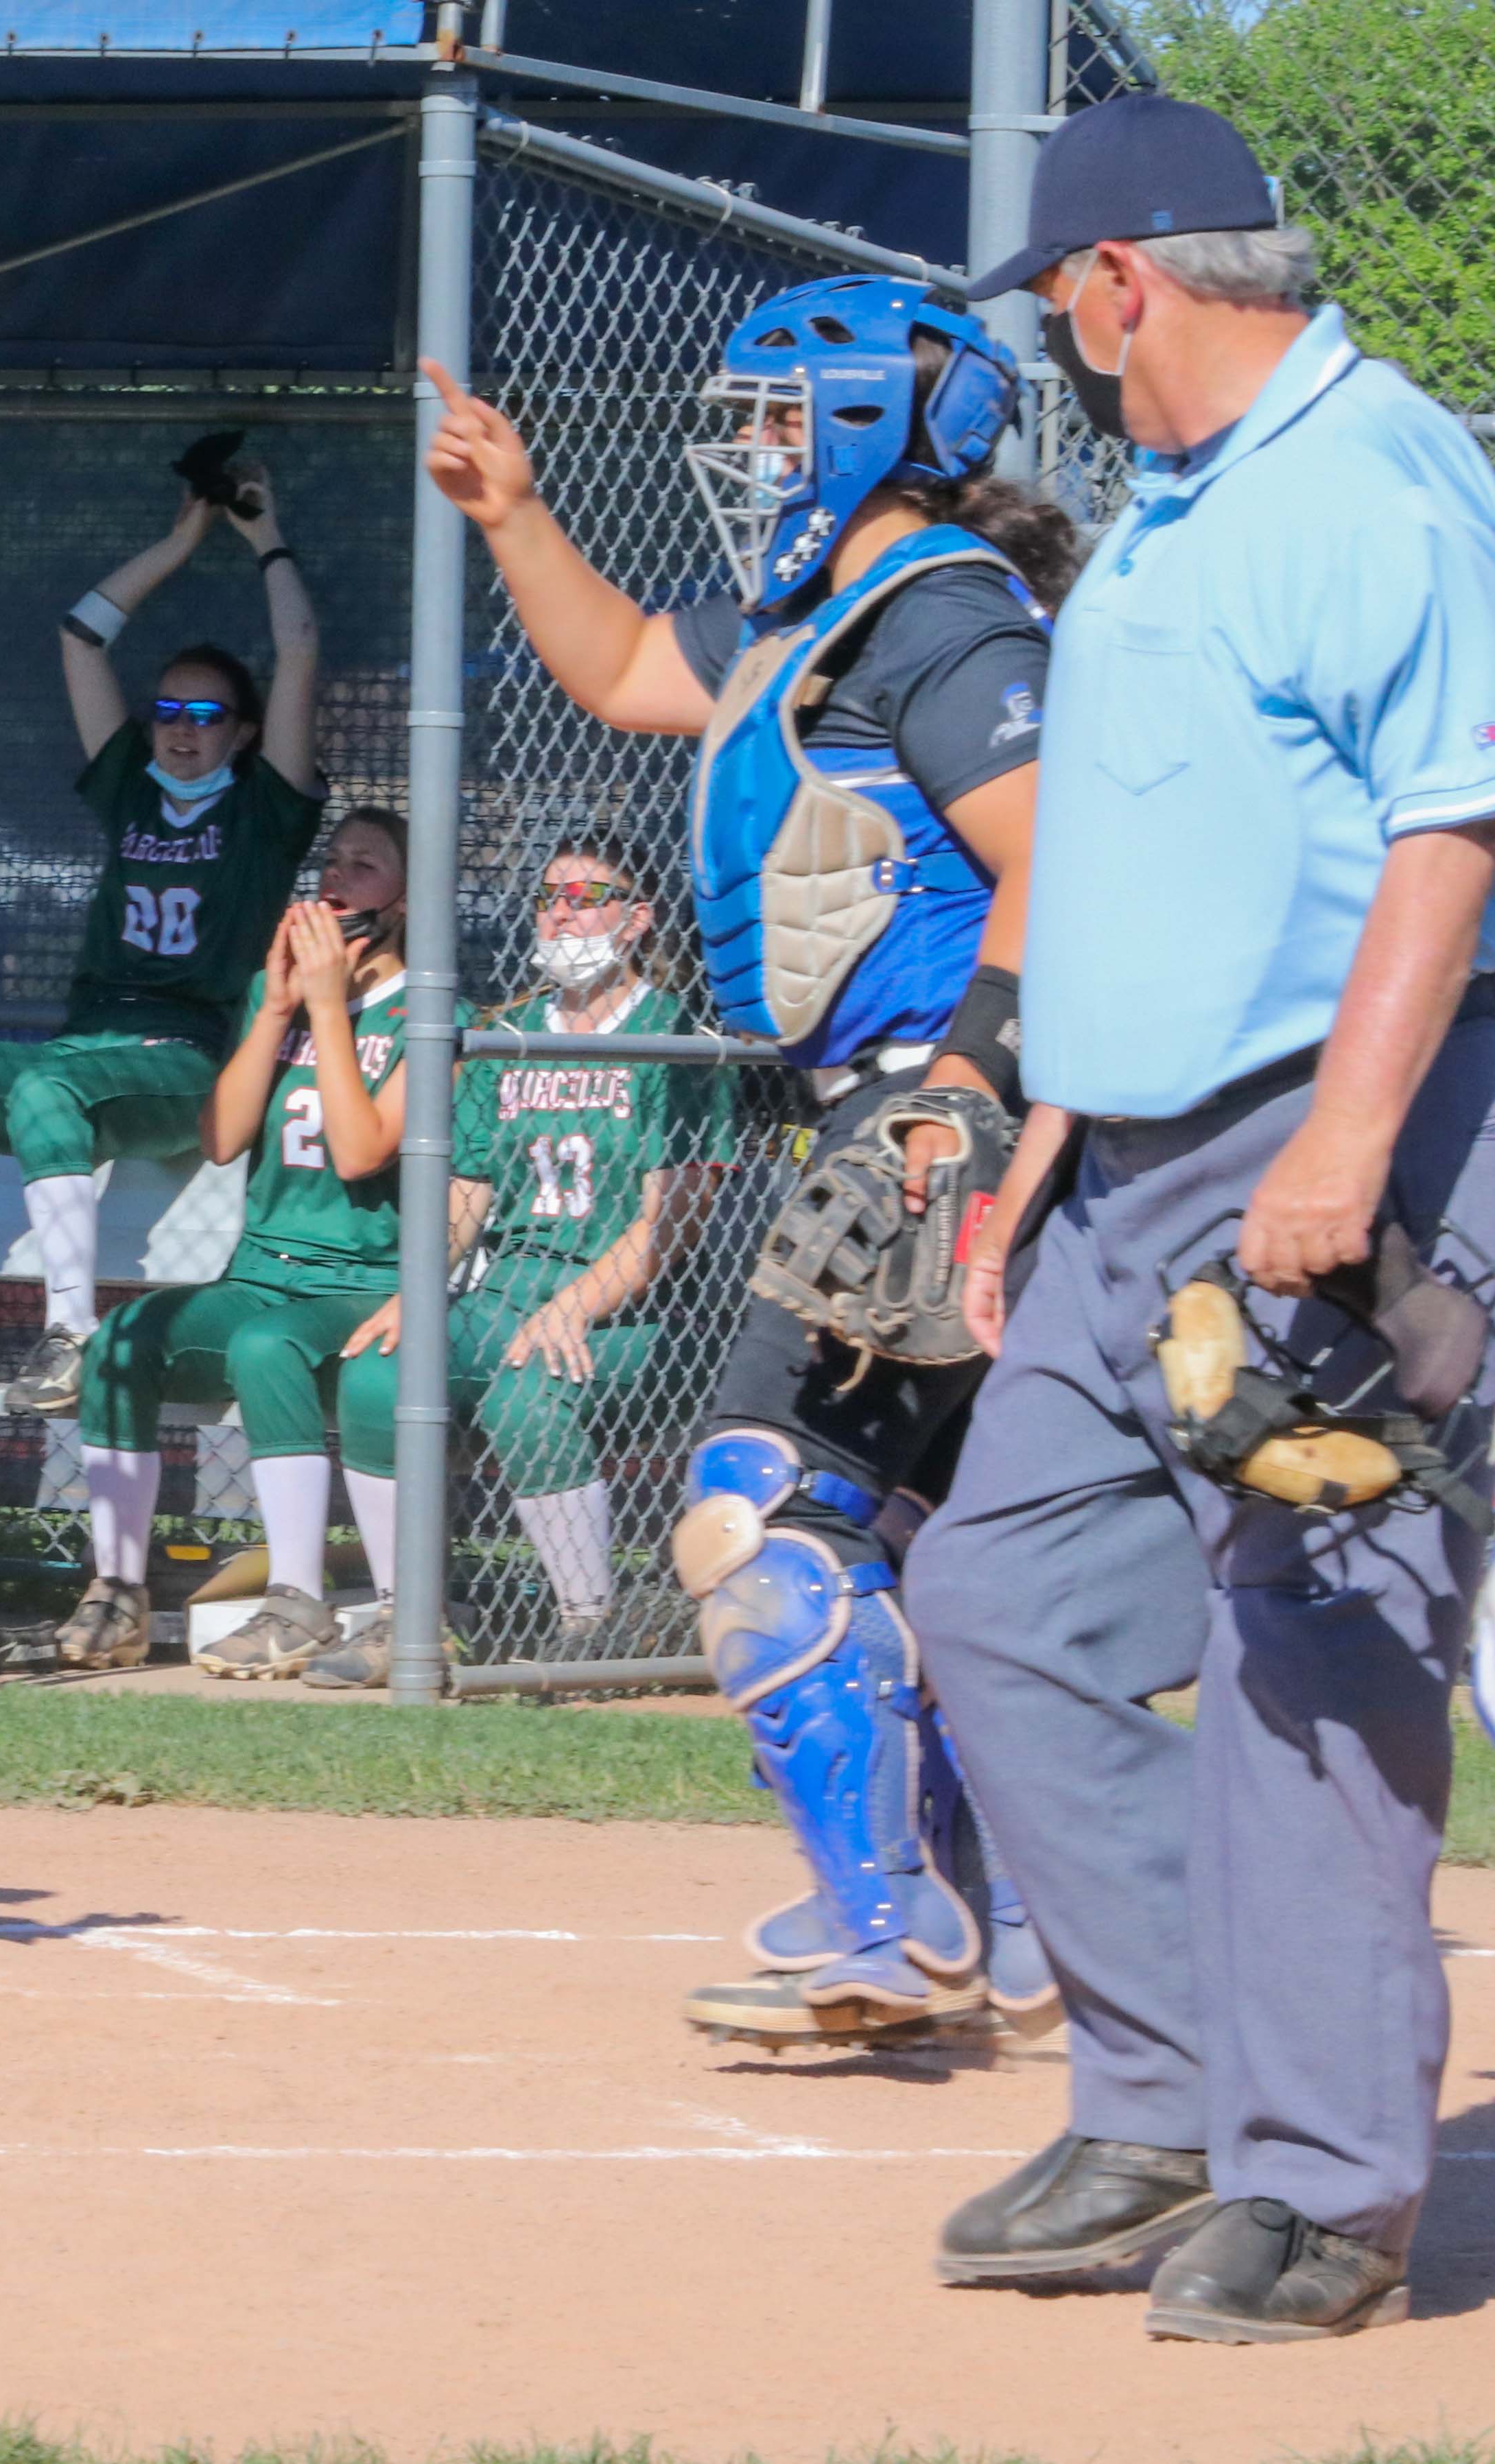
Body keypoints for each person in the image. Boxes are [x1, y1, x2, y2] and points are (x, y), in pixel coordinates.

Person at [906, 95, 1495, 2343]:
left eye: (1054, 294)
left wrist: (1344, 1149)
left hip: (1332, 1143)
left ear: (1121, 277)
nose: (1049, 336)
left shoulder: (1371, 480)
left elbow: (1449, 832)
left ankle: (1329, 2184)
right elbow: (1165, 834)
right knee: (997, 1594)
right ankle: (1167, 2099)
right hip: (1127, 1157)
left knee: (1308, 1647)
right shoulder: (1173, 501)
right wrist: (1057, 1088)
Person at [423, 274, 1070, 2048]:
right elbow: (628, 665)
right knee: (926, 1544)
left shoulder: (939, 625)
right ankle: (1005, 1931)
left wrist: (962, 1090)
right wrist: (517, 512)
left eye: (784, 412)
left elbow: (1055, 857)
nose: (754, 444)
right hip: (885, 1114)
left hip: (940, 1110)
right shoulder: (815, 615)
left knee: (755, 1501)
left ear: (870, 421)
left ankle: (883, 1924)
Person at [0, 458, 324, 1415]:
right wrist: (178, 544)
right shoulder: (132, 781)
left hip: (186, 1061)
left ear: (244, 734)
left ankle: (71, 1334)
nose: (179, 728)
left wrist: (263, 536)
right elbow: (80, 639)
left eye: (205, 714)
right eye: (167, 710)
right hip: (88, 1056)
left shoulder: (266, 808)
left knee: (52, 1083)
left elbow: (298, 648)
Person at [316, 841, 731, 1687]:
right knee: (373, 1369)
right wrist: (415, 1295)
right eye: (548, 898)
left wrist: (576, 1304)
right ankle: (409, 1617)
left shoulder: (675, 1036)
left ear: (637, 916)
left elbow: (672, 1221)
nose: (562, 912)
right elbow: (465, 1195)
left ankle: (590, 1623)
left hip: (635, 1314)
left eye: (586, 894)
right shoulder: (506, 1033)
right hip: (506, 1290)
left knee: (527, 1388)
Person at [57, 807, 411, 1677]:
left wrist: (328, 1010)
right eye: (333, 861)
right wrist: (277, 1008)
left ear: (404, 900)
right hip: (260, 1270)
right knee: (117, 1342)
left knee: (266, 1344)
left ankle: (297, 1600)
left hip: (359, 1279)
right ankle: (119, 1590)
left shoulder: (429, 1011)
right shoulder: (279, 995)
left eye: (364, 866)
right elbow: (219, 1137)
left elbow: (362, 1149)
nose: (336, 879)